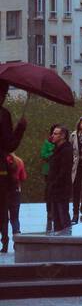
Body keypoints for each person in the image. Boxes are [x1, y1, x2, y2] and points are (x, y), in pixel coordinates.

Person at [0, 82, 26, 254]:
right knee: (2, 207)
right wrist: (20, 129)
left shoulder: (4, 114)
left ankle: (5, 239)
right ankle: (4, 240)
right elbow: (9, 145)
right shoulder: (3, 114)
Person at [46, 126, 74, 235]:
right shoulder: (56, 149)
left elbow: (64, 170)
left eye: (55, 134)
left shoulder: (66, 150)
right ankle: (58, 236)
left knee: (63, 214)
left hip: (61, 188)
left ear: (62, 136)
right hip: (54, 188)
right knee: (56, 216)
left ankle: (67, 237)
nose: (52, 136)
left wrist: (55, 182)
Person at [41, 123, 58, 233]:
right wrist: (53, 153)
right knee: (49, 193)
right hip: (48, 171)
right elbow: (43, 155)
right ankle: (49, 214)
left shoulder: (63, 144)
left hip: (59, 171)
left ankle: (56, 213)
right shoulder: (47, 143)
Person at [6, 153, 25, 239]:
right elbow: (23, 177)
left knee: (3, 218)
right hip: (15, 191)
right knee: (15, 217)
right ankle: (17, 240)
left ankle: (4, 242)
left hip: (3, 192)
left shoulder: (2, 161)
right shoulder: (19, 161)